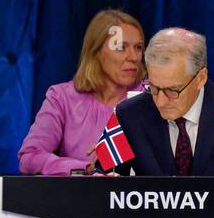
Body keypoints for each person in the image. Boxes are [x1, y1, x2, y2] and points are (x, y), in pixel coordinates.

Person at [112, 28, 214, 177]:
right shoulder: (128, 114)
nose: (160, 102)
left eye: (172, 90)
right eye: (153, 88)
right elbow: (103, 176)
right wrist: (97, 174)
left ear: (201, 78)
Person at [18, 9, 145, 175]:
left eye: (138, 48)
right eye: (121, 47)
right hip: (75, 198)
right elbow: (30, 157)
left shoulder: (152, 97)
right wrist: (86, 169)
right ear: (96, 52)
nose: (133, 57)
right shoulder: (62, 97)